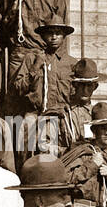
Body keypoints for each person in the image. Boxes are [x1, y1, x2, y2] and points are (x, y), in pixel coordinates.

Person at [11, 21, 76, 157]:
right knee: (26, 146)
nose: (53, 37)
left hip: (62, 115)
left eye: (58, 33)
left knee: (68, 151)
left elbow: (78, 93)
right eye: (49, 33)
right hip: (36, 114)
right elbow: (18, 88)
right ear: (43, 36)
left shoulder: (71, 63)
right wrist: (35, 69)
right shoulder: (32, 58)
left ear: (64, 36)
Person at [60, 58, 101, 150]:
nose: (85, 90)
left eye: (89, 85)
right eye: (81, 84)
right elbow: (46, 147)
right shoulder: (63, 113)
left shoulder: (96, 114)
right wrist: (69, 149)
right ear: (74, 85)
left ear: (95, 87)